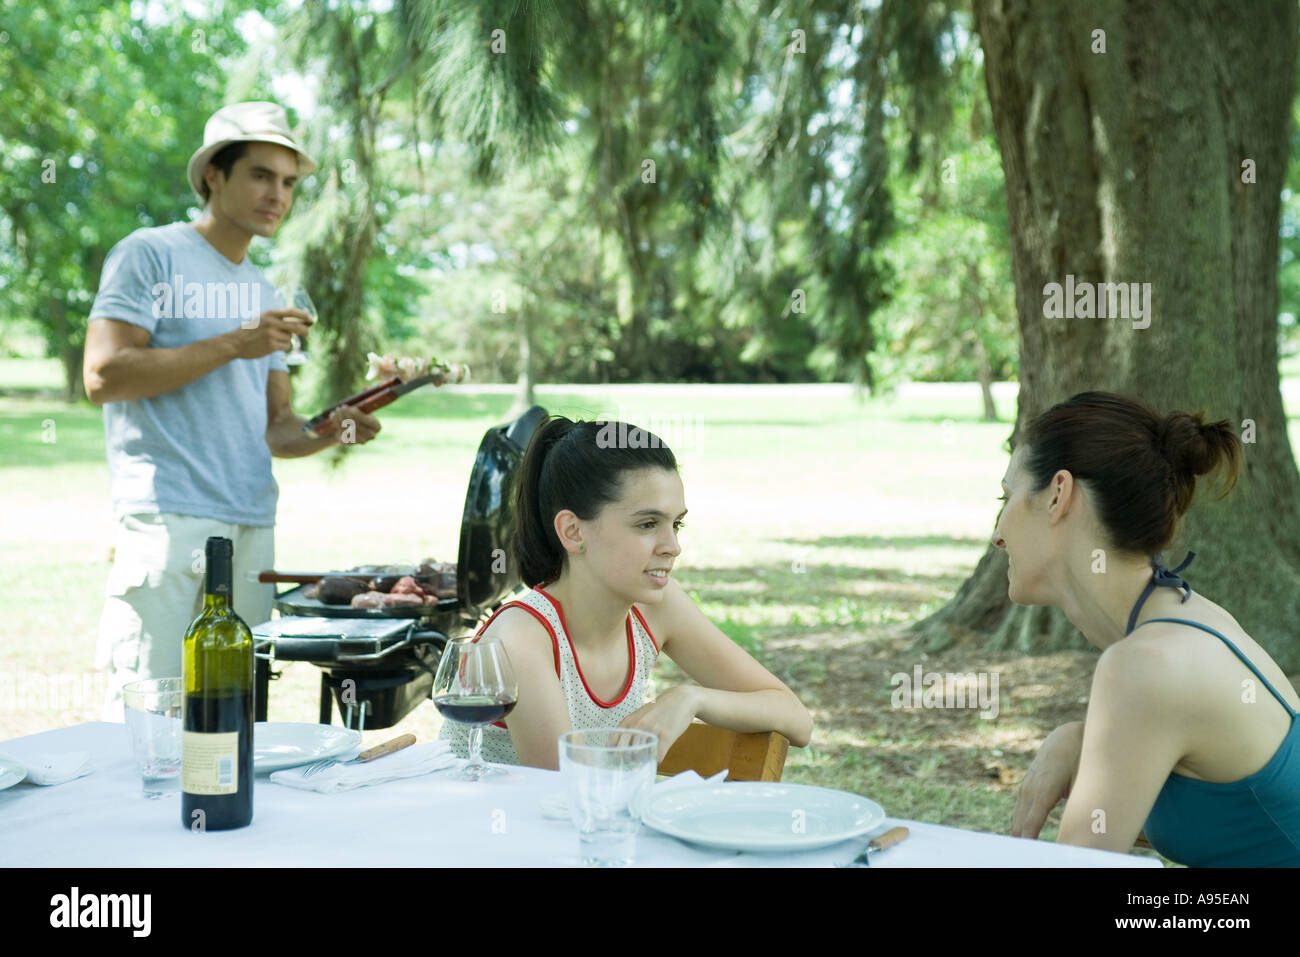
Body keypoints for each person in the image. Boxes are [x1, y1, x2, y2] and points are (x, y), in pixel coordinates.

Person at [84, 102, 382, 720]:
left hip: (251, 525)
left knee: (232, 717)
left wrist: (337, 430)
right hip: (169, 518)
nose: (277, 194)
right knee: (148, 717)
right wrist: (236, 344)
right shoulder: (151, 254)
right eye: (260, 175)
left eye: (289, 182)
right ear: (213, 176)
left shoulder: (266, 292)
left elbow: (278, 429)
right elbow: (104, 374)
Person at [994, 392, 1300, 866]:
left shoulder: (1148, 664)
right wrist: (1076, 740)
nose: (996, 532)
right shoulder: (1186, 619)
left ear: (1058, 494)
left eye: (1006, 497)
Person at [439, 416, 814, 769]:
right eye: (648, 524)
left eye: (676, 524)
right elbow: (572, 791)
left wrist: (690, 698)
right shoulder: (522, 638)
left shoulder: (657, 607)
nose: (672, 547)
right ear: (572, 531)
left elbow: (796, 720)